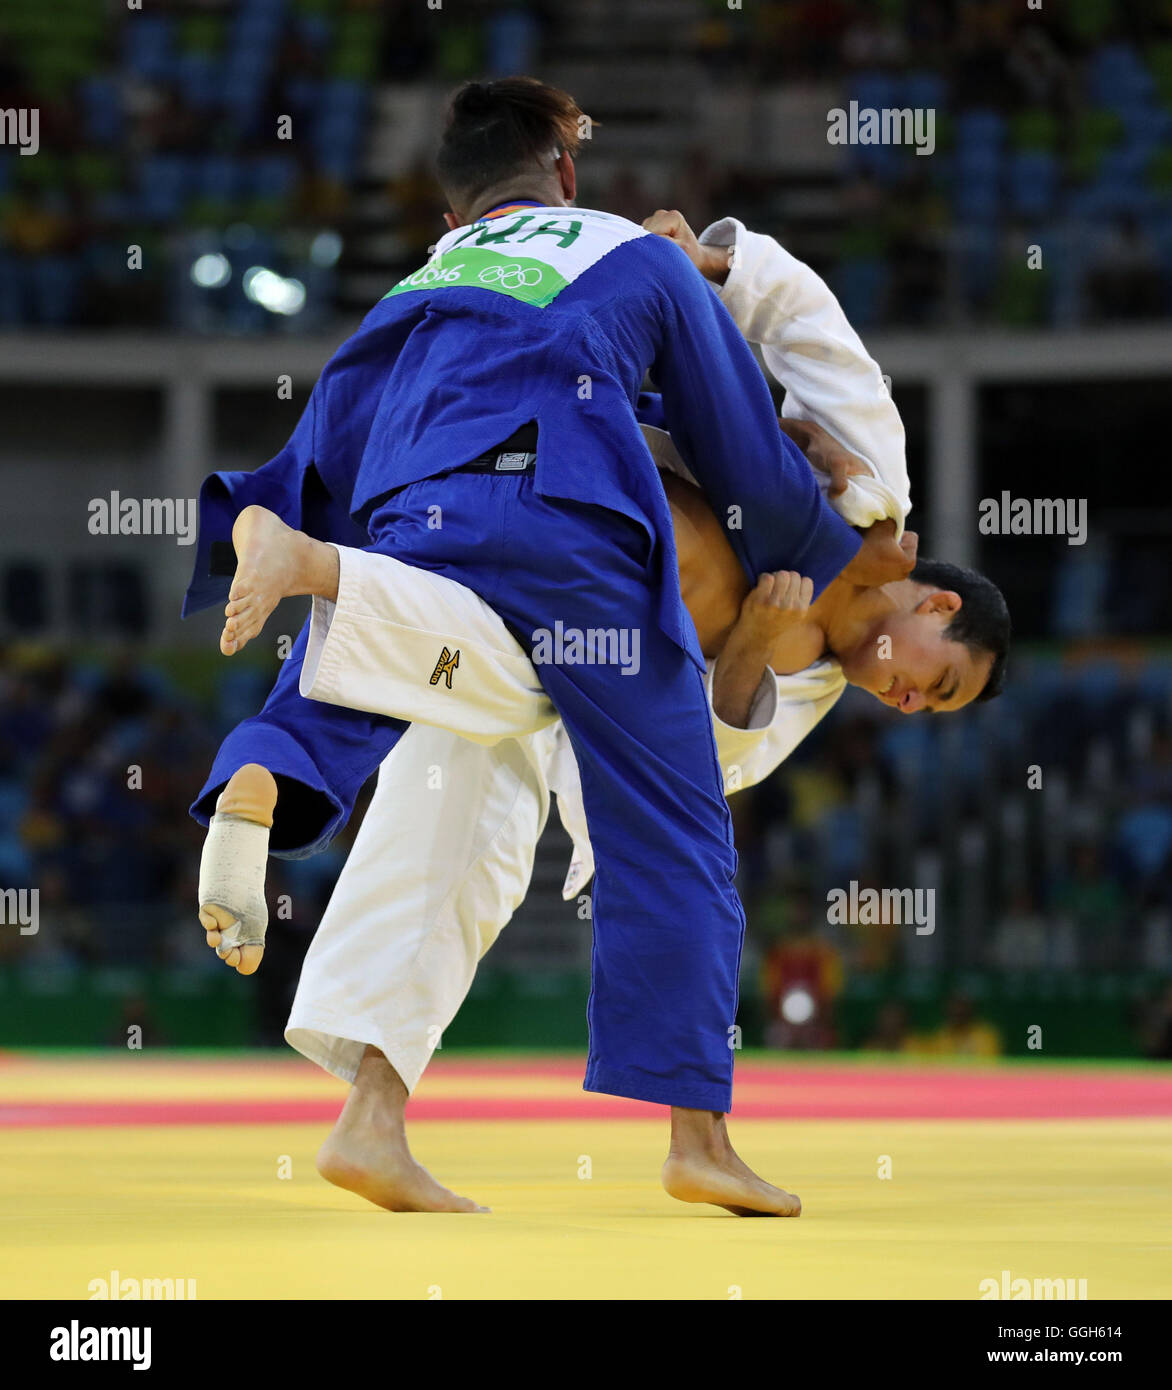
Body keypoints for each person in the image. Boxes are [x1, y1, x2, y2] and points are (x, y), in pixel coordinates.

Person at [193, 209, 1010, 1213]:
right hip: (568, 525)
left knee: (466, 775)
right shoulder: (871, 486)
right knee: (466, 831)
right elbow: (807, 319)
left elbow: (709, 765)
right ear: (936, 601)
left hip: (584, 650)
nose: (908, 699)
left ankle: (367, 1111)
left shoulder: (813, 679)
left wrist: (753, 642)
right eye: (936, 679)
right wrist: (716, 263)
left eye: (927, 709)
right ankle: (672, 1136)